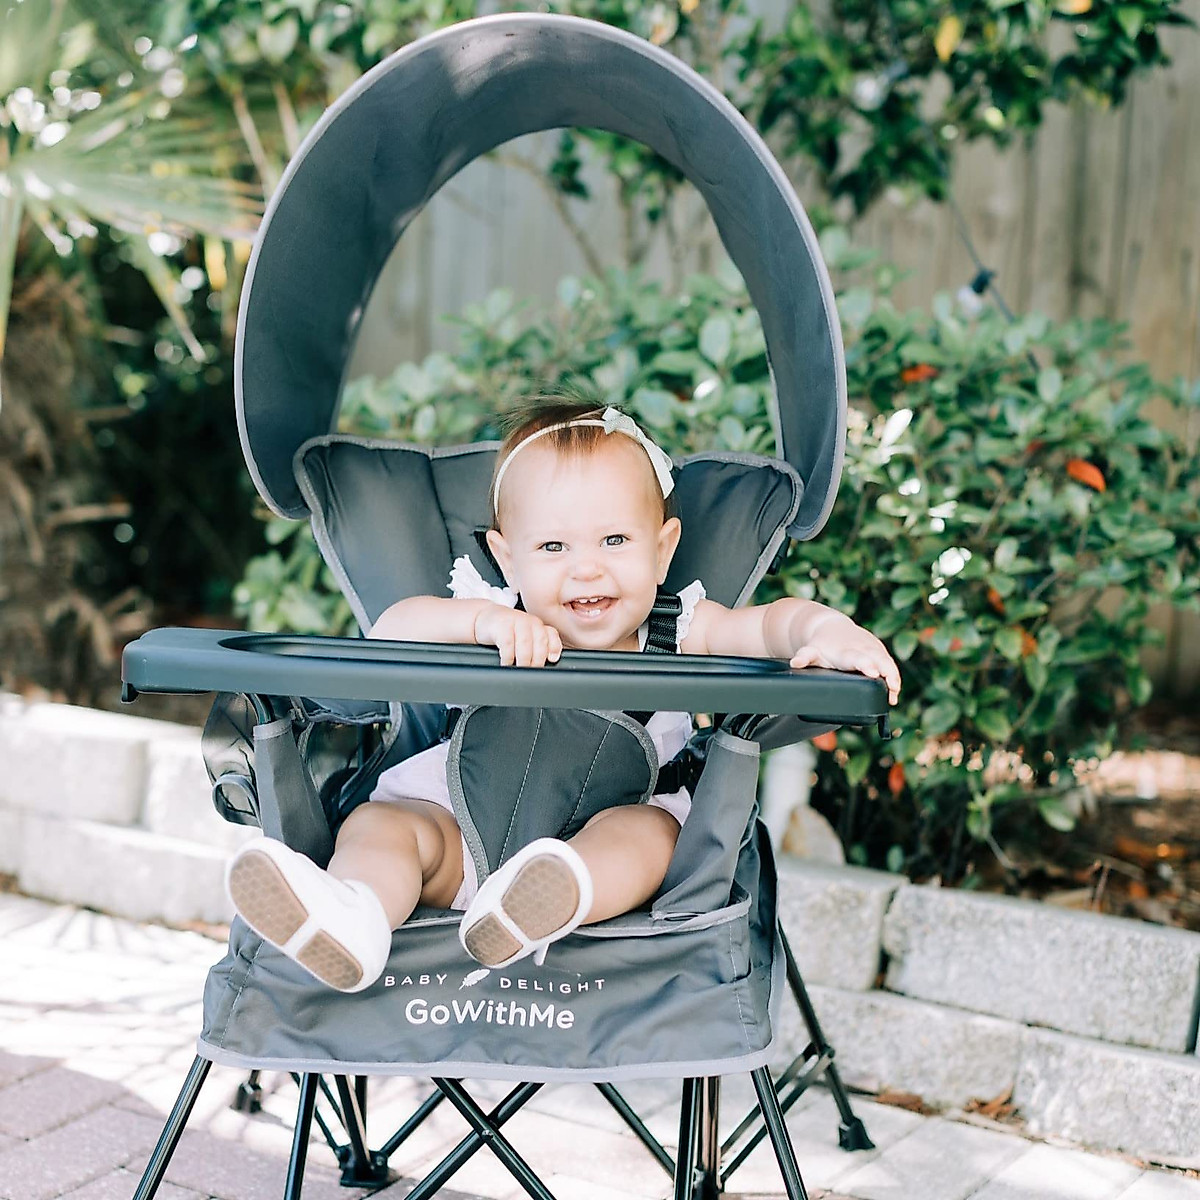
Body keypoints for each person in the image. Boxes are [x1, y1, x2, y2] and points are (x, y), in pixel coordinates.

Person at [226, 399, 901, 992]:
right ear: (508, 558)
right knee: (383, 828)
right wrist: (481, 624)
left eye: (615, 539)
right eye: (552, 546)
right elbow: (391, 632)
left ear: (662, 550)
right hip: (457, 833)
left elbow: (771, 624)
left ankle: (550, 897)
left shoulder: (679, 630)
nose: (586, 568)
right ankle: (357, 916)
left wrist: (825, 632)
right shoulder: (492, 613)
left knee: (653, 836)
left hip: (598, 844)